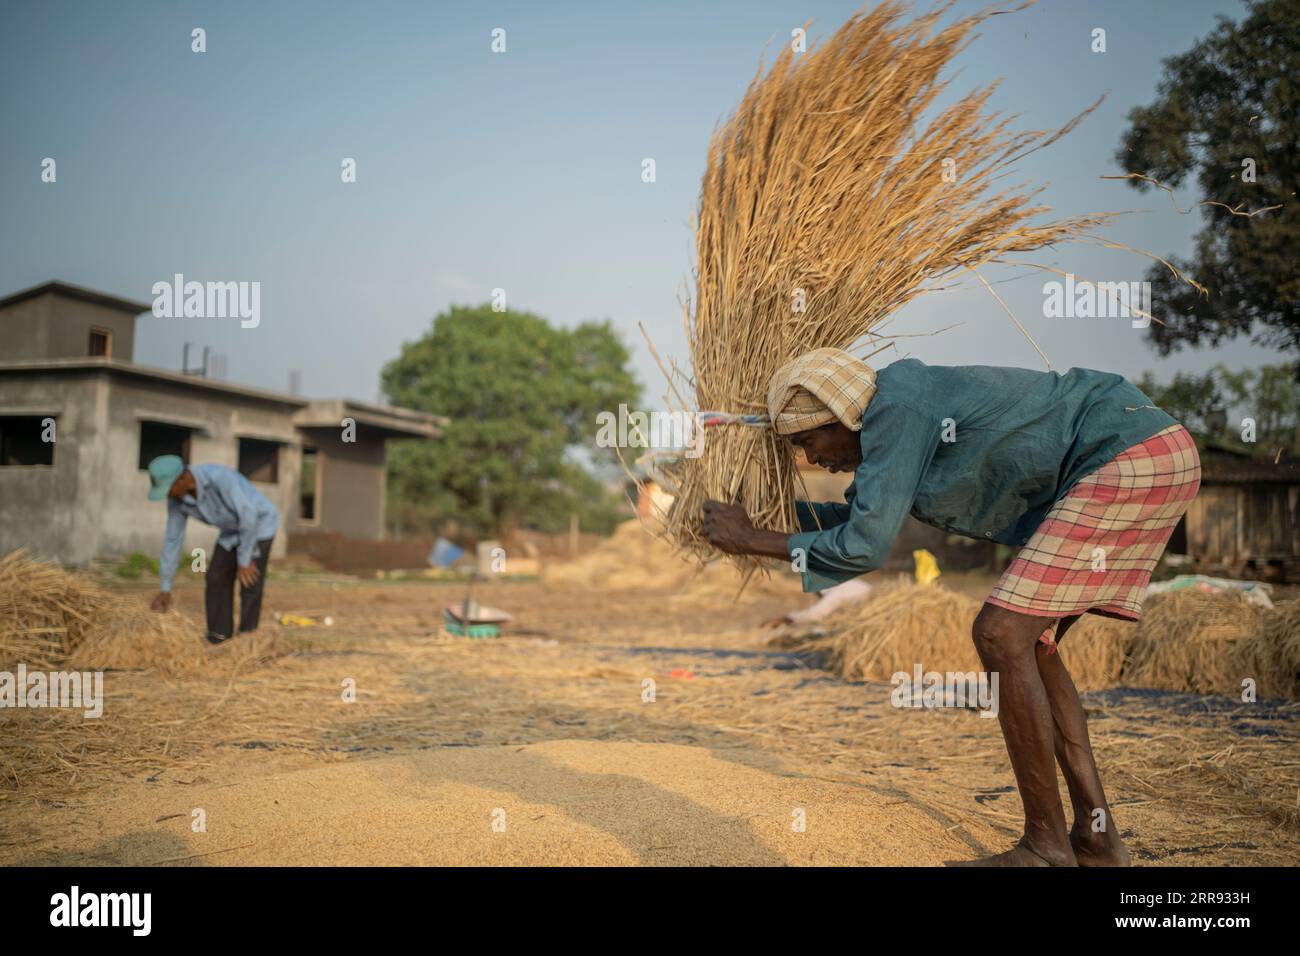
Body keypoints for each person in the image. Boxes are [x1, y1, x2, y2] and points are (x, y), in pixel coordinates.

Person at [701, 348, 1200, 867]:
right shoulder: (900, 419)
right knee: (1034, 647)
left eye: (809, 441)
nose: (811, 460)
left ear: (843, 412)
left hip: (1127, 454)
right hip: (1146, 450)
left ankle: (1045, 846)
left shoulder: (898, 409)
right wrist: (758, 517)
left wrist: (752, 540)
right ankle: (1095, 840)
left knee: (1000, 634)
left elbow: (864, 547)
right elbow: (859, 519)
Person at [145, 455, 280, 645]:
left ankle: (247, 640)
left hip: (259, 525)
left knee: (249, 580)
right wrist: (165, 588)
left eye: (169, 489)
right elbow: (172, 540)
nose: (168, 495)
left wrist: (244, 559)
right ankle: (219, 638)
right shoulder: (177, 501)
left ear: (183, 478)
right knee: (215, 577)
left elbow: (248, 515)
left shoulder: (220, 478)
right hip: (231, 531)